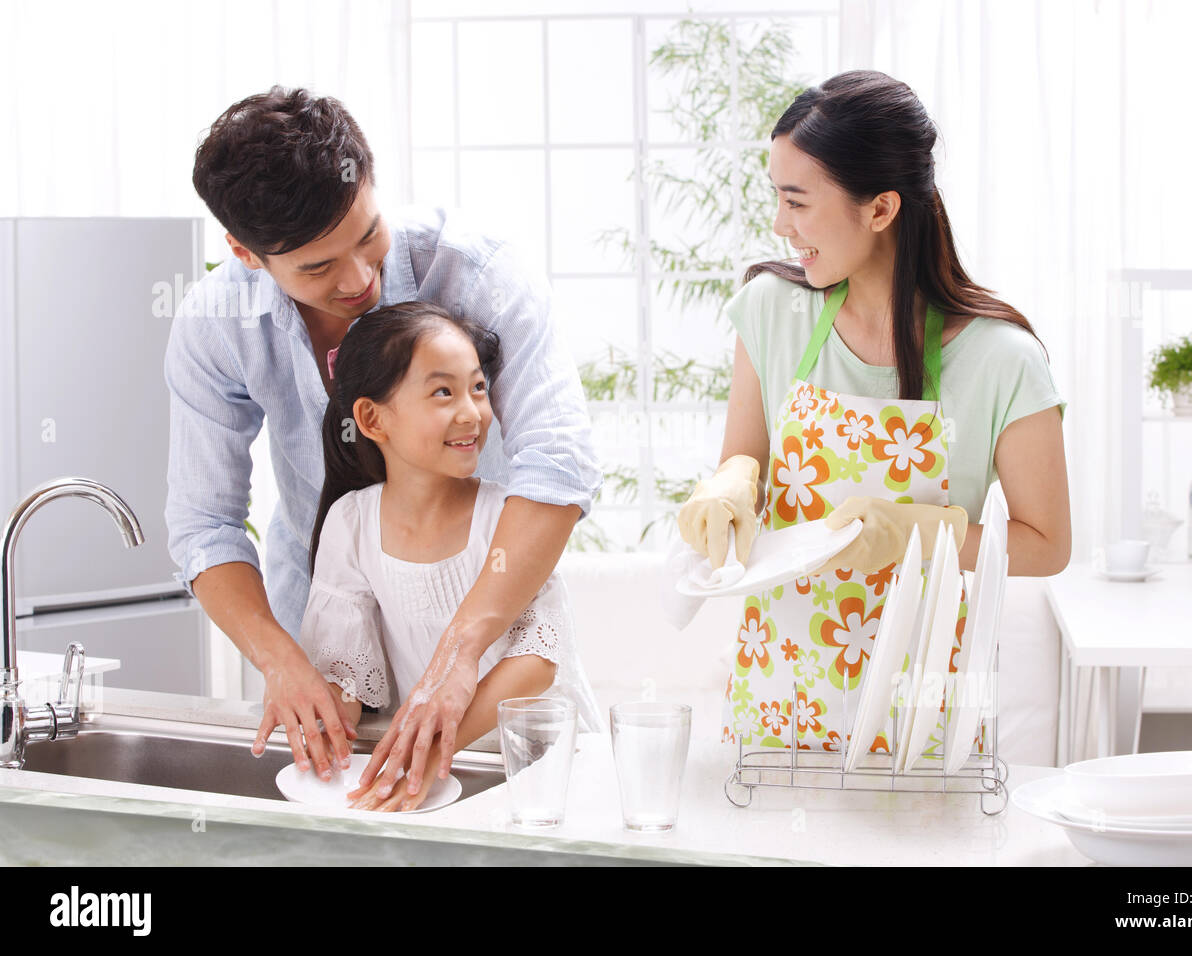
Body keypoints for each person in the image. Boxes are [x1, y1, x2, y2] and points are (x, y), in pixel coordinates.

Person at [164, 87, 601, 785]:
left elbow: (557, 464)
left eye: (368, 235)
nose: (360, 279)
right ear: (246, 253)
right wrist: (283, 662)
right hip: (323, 655)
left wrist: (459, 655)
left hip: (487, 642)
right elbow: (204, 526)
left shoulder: (474, 268)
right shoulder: (217, 323)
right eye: (317, 267)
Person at [676, 70, 1070, 755]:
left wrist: (919, 532)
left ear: (881, 208)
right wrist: (731, 484)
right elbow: (748, 460)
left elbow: (1047, 544)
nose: (779, 225)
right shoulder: (771, 311)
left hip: (925, 714)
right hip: (778, 698)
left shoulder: (1004, 359)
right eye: (778, 198)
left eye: (797, 201)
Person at [298, 301, 600, 811]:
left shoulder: (509, 516)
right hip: (441, 771)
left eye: (478, 388)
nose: (472, 412)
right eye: (444, 391)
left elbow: (538, 661)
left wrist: (433, 748)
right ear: (372, 418)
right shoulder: (351, 523)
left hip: (547, 767)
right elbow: (345, 666)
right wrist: (328, 725)